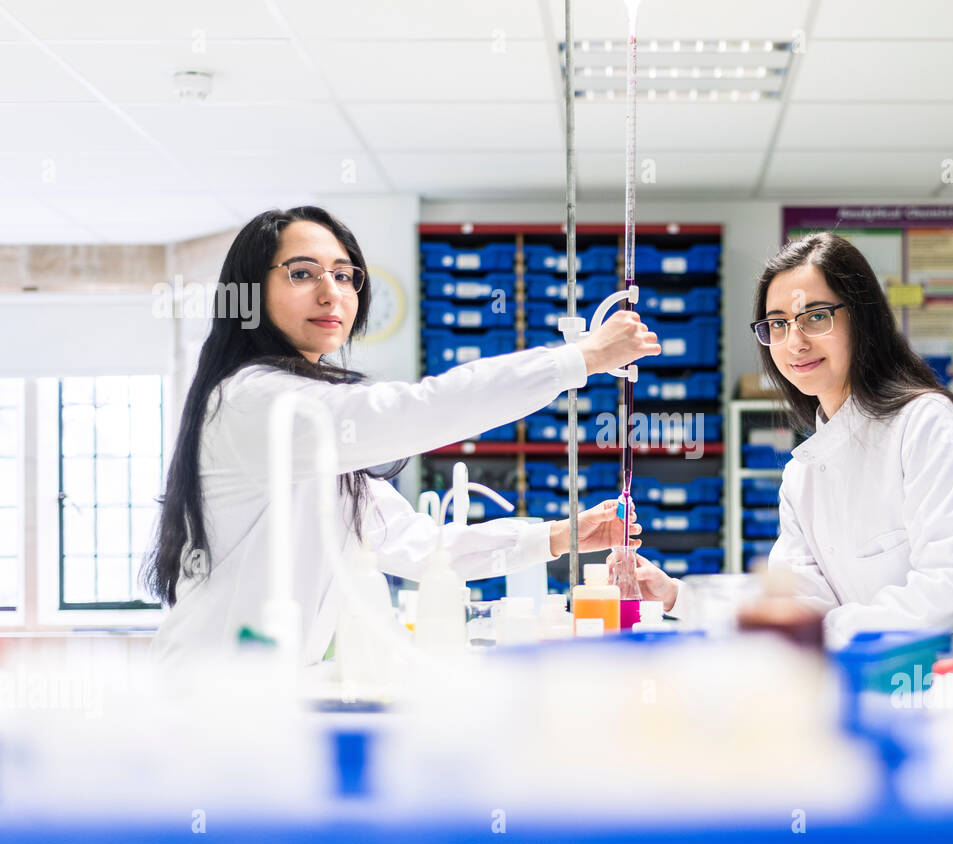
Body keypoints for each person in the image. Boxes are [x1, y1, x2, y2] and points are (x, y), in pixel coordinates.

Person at [624, 231, 953, 844]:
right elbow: (798, 599)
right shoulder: (804, 473)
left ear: (863, 317)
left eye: (816, 316)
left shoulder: (926, 424)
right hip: (909, 726)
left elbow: (948, 596)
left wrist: (829, 628)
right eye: (777, 324)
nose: (795, 341)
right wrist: (679, 594)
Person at [144, 206, 658, 674]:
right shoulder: (254, 402)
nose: (331, 292)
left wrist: (557, 537)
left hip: (263, 692)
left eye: (344, 276)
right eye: (302, 273)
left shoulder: (311, 419)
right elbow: (421, 410)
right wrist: (579, 359)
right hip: (208, 692)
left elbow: (419, 546)